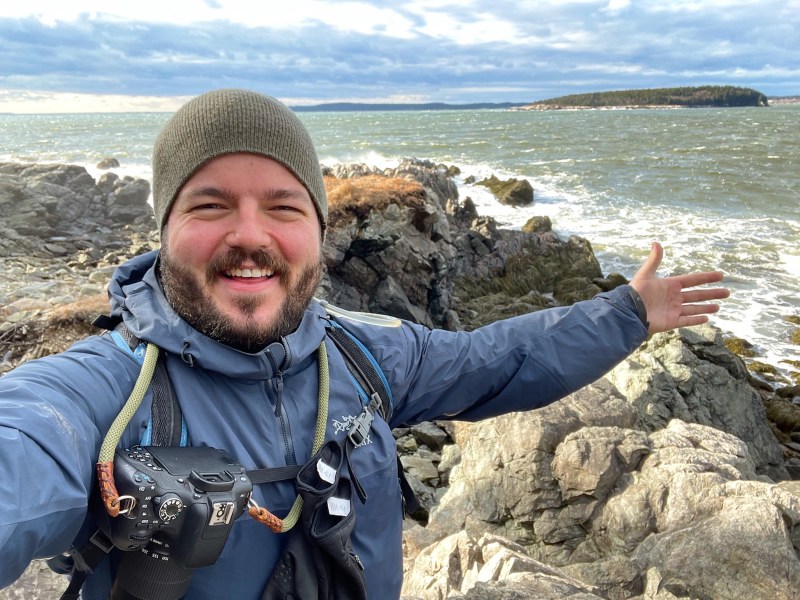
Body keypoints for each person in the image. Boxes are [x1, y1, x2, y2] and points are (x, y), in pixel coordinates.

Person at [0, 88, 729, 600]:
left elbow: (496, 360)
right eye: (210, 204)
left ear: (321, 232)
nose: (250, 234)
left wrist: (628, 312)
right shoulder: (105, 395)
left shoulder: (362, 356)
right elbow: (24, 449)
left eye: (284, 207)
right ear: (163, 236)